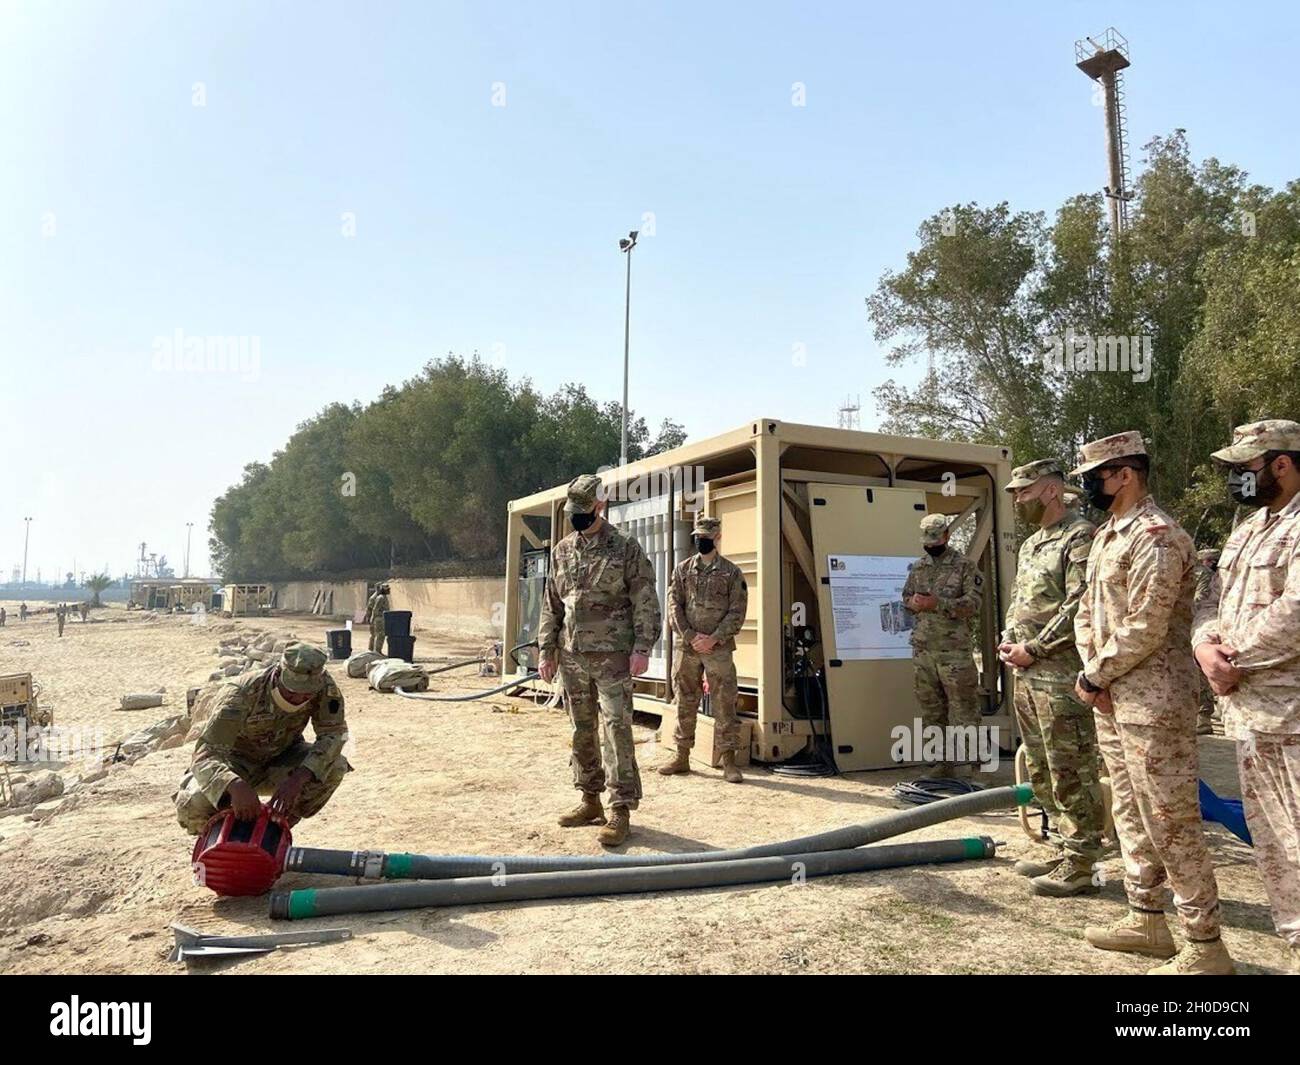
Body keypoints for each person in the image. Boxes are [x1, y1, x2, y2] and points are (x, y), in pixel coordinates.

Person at [1072, 431, 1233, 975]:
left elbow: (1146, 623)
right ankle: (1147, 919)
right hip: (1115, 697)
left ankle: (1205, 945)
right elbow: (1088, 610)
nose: (1089, 488)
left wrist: (1095, 673)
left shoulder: (1157, 536)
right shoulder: (1106, 535)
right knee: (1130, 812)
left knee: (1172, 820)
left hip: (1155, 701)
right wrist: (1093, 674)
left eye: (1095, 476)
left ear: (1124, 474)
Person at [1193, 420, 1300, 974]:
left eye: (1243, 468)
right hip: (1250, 716)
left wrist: (1232, 659)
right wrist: (1204, 646)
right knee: (1274, 844)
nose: (1235, 479)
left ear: (1280, 464)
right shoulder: (1247, 528)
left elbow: (1295, 612)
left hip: (1292, 715)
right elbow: (1210, 600)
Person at [998, 459, 1104, 897]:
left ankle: (1082, 863)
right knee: (1041, 766)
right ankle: (1062, 847)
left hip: (1060, 675)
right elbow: (1019, 598)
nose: (1018, 500)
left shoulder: (1080, 537)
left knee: (1070, 767)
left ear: (1050, 491)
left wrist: (1035, 648)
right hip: (1026, 675)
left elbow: (1079, 602)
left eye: (1023, 492)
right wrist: (1008, 637)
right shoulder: (1031, 545)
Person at [537, 473, 661, 846]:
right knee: (581, 730)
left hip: (613, 658)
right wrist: (546, 650)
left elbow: (645, 599)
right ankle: (590, 799)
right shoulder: (561, 551)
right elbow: (551, 604)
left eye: (584, 512)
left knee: (617, 731)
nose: (577, 518)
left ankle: (620, 808)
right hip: (572, 656)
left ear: (601, 506)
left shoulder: (625, 548)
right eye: (573, 512)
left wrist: (642, 648)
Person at [174, 642, 350, 833]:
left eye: (306, 694)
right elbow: (205, 754)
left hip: (282, 759)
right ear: (278, 675)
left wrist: (298, 779)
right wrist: (233, 785)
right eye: (292, 691)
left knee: (335, 766)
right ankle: (216, 841)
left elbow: (333, 734)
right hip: (234, 763)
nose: (299, 699)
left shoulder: (322, 685)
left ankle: (276, 830)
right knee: (194, 802)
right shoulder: (241, 694)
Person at [658, 515, 749, 783]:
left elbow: (737, 611)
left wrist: (714, 638)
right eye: (697, 537)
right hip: (687, 647)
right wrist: (689, 635)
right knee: (685, 699)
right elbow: (674, 605)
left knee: (724, 702)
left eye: (706, 538)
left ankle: (729, 761)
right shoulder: (682, 570)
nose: (701, 541)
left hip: (717, 649)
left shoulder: (732, 573)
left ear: (717, 538)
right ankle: (682, 755)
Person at [902, 513, 983, 776]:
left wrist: (939, 604)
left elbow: (974, 604)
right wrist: (912, 603)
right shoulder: (918, 567)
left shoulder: (965, 566)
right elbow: (906, 596)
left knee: (965, 710)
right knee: (932, 710)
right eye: (927, 540)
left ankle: (975, 767)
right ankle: (941, 764)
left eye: (936, 539)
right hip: (924, 650)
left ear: (947, 535)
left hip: (954, 654)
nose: (931, 544)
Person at [364, 583, 390, 654]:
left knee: (377, 635)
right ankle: (375, 651)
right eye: (387, 589)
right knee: (378, 635)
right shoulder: (379, 597)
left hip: (380, 618)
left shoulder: (382, 597)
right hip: (379, 618)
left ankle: (373, 651)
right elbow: (373, 609)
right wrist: (370, 618)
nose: (389, 590)